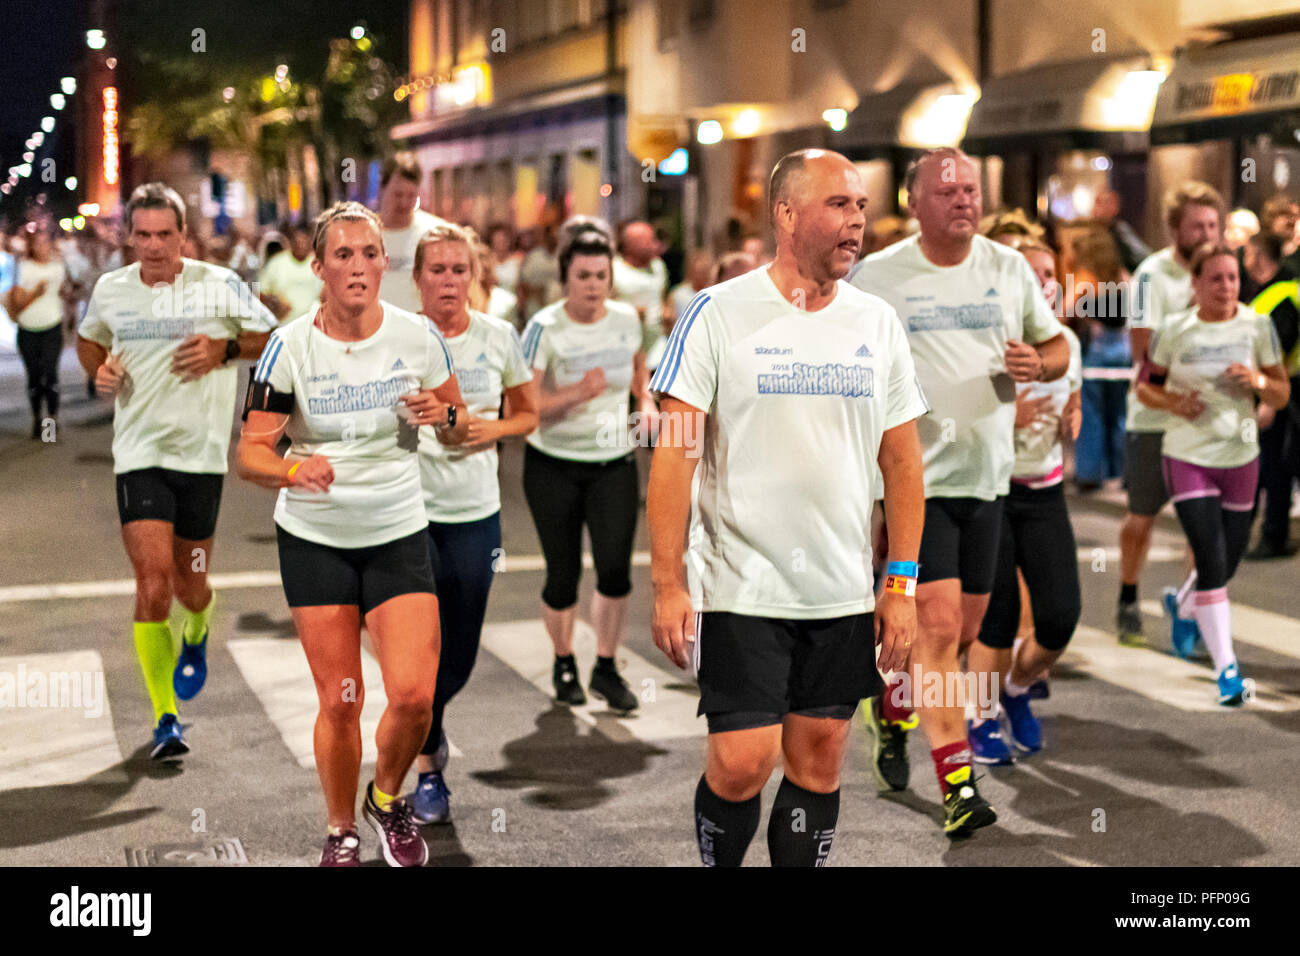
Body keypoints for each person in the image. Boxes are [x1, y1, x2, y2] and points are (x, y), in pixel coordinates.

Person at [648, 149, 927, 865]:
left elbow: (901, 462)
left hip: (838, 589)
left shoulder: (878, 323)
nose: (857, 221)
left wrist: (899, 585)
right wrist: (668, 583)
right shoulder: (716, 314)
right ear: (787, 213)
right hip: (743, 586)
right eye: (839, 205)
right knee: (743, 761)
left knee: (821, 759)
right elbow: (675, 454)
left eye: (861, 207)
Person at [237, 201, 469, 866]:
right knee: (341, 701)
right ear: (319, 268)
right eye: (344, 255)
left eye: (370, 254)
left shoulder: (417, 336)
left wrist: (443, 412)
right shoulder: (290, 346)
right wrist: (291, 467)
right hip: (316, 538)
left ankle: (387, 799)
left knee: (415, 697)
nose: (360, 266)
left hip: (397, 529)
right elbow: (251, 453)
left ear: (384, 264)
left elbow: (458, 420)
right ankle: (341, 829)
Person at [849, 147, 1068, 832]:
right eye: (946, 192)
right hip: (917, 482)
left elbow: (1056, 345)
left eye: (971, 189)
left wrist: (1040, 358)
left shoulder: (1006, 268)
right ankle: (959, 788)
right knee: (939, 628)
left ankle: (891, 710)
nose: (964, 200)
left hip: (988, 479)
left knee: (964, 631)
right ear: (914, 204)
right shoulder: (879, 277)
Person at [76, 182, 276, 759]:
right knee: (153, 581)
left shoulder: (218, 285)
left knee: (190, 587)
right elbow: (91, 344)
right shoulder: (112, 290)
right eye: (143, 235)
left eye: (166, 234)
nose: (155, 246)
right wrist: (100, 374)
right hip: (139, 457)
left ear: (183, 236)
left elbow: (270, 338)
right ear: (128, 237)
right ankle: (166, 716)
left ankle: (199, 626)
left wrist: (224, 350)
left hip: (201, 459)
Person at [408, 223, 538, 823]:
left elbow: (528, 414)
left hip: (475, 513)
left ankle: (421, 725)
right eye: (437, 270)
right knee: (418, 649)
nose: (450, 281)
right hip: (407, 513)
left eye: (460, 270)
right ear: (417, 279)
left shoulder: (498, 336)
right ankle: (428, 766)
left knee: (458, 652)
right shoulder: (397, 339)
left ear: (475, 277)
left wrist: (495, 428)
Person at [1136, 245, 1288, 701]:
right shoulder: (1174, 330)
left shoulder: (1257, 326)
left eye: (1233, 279)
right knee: (1209, 553)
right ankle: (1228, 672)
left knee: (1228, 559)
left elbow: (1280, 393)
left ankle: (1182, 603)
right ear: (1196, 284)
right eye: (1216, 279)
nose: (1226, 287)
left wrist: (1258, 384)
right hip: (1187, 455)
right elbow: (1145, 388)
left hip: (1240, 456)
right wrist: (1175, 403)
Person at [520, 224, 651, 713]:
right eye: (583, 276)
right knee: (563, 573)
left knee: (616, 570)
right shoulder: (545, 328)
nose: (593, 285)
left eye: (601, 275)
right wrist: (576, 393)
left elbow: (639, 375)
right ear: (565, 279)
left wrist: (648, 404)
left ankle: (606, 665)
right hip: (553, 463)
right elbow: (526, 405)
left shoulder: (625, 319)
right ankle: (562, 661)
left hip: (613, 462)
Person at [975, 238, 1083, 753]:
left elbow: (1074, 388)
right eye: (1031, 275)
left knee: (1060, 617)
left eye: (1048, 274)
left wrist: (1074, 413)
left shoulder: (1065, 342)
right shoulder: (987, 338)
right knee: (993, 620)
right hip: (992, 489)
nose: (1042, 283)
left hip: (1045, 490)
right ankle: (979, 717)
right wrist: (1004, 414)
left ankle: (1016, 688)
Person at [1118, 182, 1223, 645]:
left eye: (1213, 225)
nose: (1206, 234)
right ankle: (1127, 595)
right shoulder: (1148, 277)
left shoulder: (1223, 272)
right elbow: (1144, 352)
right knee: (1141, 518)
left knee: (1204, 523)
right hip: (1155, 418)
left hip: (1205, 419)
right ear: (1175, 228)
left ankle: (1190, 608)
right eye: (1197, 225)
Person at [1243, 231, 1300, 560]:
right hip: (1281, 392)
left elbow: (1278, 350)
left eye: (1248, 252)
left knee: (1274, 466)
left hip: (1284, 395)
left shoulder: (1279, 294)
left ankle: (1273, 537)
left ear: (1259, 255)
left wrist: (1267, 400)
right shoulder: (1277, 290)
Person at [1067, 229, 1132, 489]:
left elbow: (1063, 313)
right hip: (1123, 354)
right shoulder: (1122, 276)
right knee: (1120, 416)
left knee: (1090, 415)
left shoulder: (1085, 280)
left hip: (1096, 355)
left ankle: (1089, 473)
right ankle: (1120, 471)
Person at [5, 226, 69, 438]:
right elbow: (17, 302)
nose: (42, 247)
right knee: (34, 377)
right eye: (38, 243)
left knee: (50, 375)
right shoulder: (23, 268)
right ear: (32, 246)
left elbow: (64, 292)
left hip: (52, 326)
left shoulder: (58, 267)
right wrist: (36, 293)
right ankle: (37, 418)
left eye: (45, 242)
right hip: (28, 329)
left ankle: (51, 424)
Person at [377, 152, 449, 313]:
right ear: (382, 188)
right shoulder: (365, 233)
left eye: (411, 196)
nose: (404, 202)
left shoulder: (435, 232)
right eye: (397, 194)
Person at [612, 220, 670, 364]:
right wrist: (630, 313)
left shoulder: (658, 266)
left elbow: (662, 297)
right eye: (648, 241)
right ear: (631, 245)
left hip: (656, 348)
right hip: (623, 348)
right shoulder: (614, 269)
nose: (654, 245)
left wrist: (666, 312)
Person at [258, 222, 322, 322]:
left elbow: (328, 295)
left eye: (305, 242)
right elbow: (261, 292)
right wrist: (272, 305)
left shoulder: (319, 265)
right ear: (291, 242)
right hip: (283, 327)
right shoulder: (277, 263)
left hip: (312, 325)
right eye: (298, 241)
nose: (301, 246)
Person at [1094, 188, 1152, 275]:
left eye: (1110, 203)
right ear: (1095, 206)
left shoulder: (1120, 229)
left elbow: (1142, 253)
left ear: (1116, 207)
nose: (1106, 207)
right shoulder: (1090, 232)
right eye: (1102, 203)